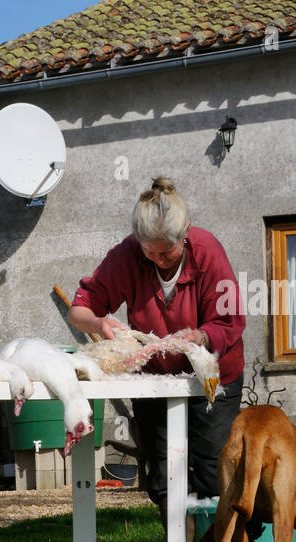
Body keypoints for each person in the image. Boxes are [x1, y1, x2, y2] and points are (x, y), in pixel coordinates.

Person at [66, 176, 246, 521]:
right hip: (155, 378)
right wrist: (99, 324)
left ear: (186, 234)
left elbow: (230, 321)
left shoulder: (208, 252)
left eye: (167, 251)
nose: (159, 259)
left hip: (211, 378)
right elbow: (81, 307)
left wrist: (199, 337)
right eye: (150, 252)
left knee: (213, 467)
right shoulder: (126, 255)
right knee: (161, 469)